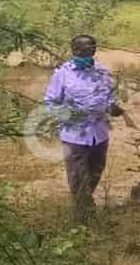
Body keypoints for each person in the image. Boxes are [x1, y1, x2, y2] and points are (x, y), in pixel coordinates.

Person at [43, 34, 123, 222]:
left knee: (96, 171)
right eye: (85, 48)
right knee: (78, 176)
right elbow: (50, 102)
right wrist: (71, 114)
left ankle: (82, 209)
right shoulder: (62, 73)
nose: (89, 51)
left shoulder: (102, 72)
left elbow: (109, 98)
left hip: (99, 134)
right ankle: (84, 218)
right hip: (74, 136)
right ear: (74, 50)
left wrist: (113, 107)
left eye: (92, 48)